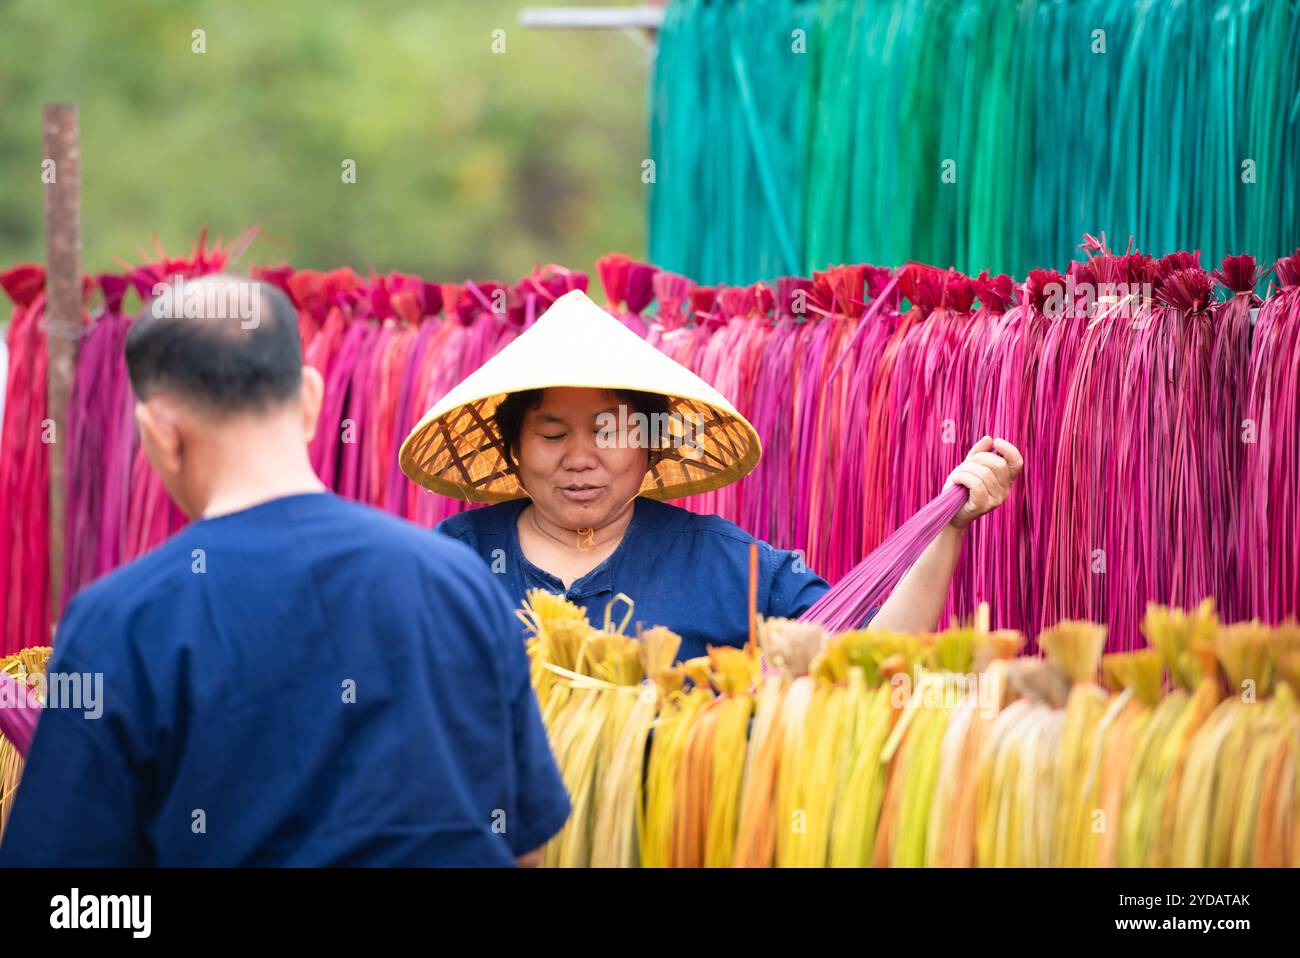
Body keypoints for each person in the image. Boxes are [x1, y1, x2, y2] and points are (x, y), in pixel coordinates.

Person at [0, 275, 568, 867]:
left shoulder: (119, 621)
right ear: (312, 400)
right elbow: (527, 842)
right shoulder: (460, 580)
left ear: (158, 434)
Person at [399, 290, 1022, 661]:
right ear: (512, 449)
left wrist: (948, 528)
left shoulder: (729, 568)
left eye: (610, 431)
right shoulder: (452, 564)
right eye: (553, 434)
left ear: (648, 443)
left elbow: (866, 656)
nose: (580, 457)